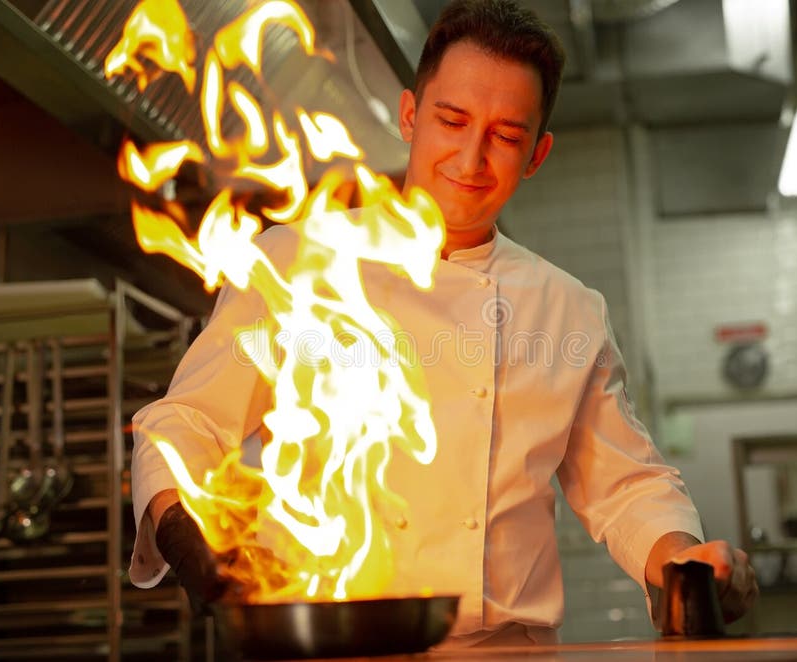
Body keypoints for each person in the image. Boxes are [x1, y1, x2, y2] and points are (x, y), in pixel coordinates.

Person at [129, 0, 758, 646]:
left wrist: (684, 560)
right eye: (451, 120)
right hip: (324, 649)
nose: (471, 156)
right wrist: (189, 535)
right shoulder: (295, 265)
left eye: (506, 136)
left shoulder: (567, 309)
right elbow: (185, 423)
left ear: (536, 154)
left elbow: (627, 488)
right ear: (410, 115)